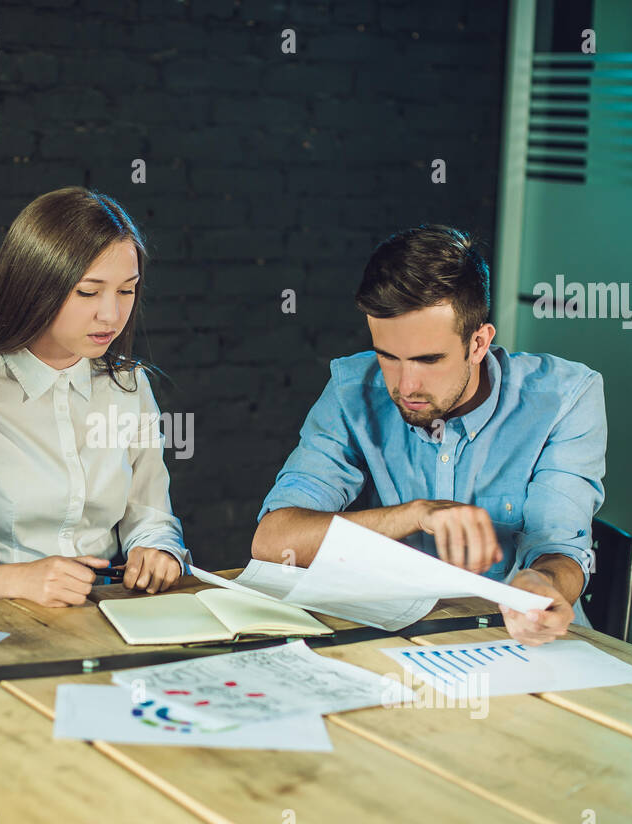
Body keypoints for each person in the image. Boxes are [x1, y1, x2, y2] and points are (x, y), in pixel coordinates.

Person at [252, 224, 606, 645]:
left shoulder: (564, 399)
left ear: (478, 343)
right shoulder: (352, 389)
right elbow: (273, 541)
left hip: (524, 646)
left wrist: (542, 583)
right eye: (388, 357)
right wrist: (415, 514)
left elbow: (561, 550)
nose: (405, 386)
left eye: (428, 360)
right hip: (400, 644)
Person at [0, 186, 190, 607]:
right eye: (88, 292)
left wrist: (158, 549)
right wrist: (13, 581)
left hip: (106, 616)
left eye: (127, 291)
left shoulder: (129, 384)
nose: (111, 314)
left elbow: (152, 517)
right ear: (37, 285)